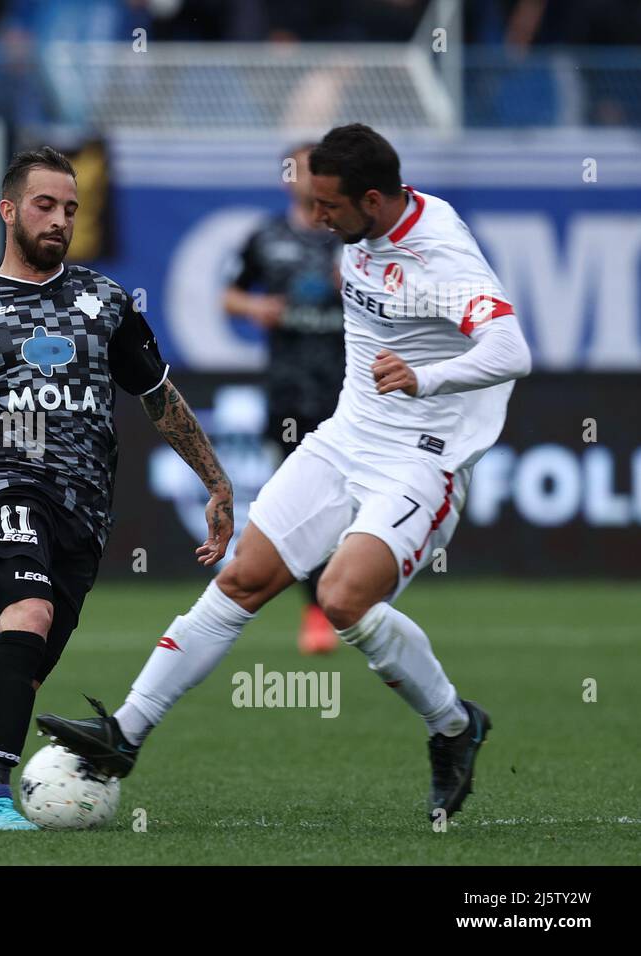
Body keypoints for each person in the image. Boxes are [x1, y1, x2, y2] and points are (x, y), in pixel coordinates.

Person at [38, 124, 532, 823]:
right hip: (346, 439)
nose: (316, 218)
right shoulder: (358, 235)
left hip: (423, 457)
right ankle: (125, 733)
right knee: (241, 578)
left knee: (342, 598)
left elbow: (513, 348)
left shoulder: (438, 254)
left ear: (370, 197)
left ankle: (454, 726)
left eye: (327, 205)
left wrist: (428, 377)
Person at [0, 146, 234, 830]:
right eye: (44, 205)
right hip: (5, 492)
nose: (59, 220)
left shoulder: (106, 303)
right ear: (9, 211)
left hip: (82, 519)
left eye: (70, 209)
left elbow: (158, 397)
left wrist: (216, 481)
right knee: (26, 612)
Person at [223, 143, 345, 653]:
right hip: (289, 392)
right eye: (299, 168)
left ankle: (351, 594)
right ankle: (318, 608)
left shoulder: (353, 239)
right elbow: (228, 294)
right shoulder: (266, 238)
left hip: (350, 393)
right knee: (301, 508)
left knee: (349, 504)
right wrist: (256, 308)